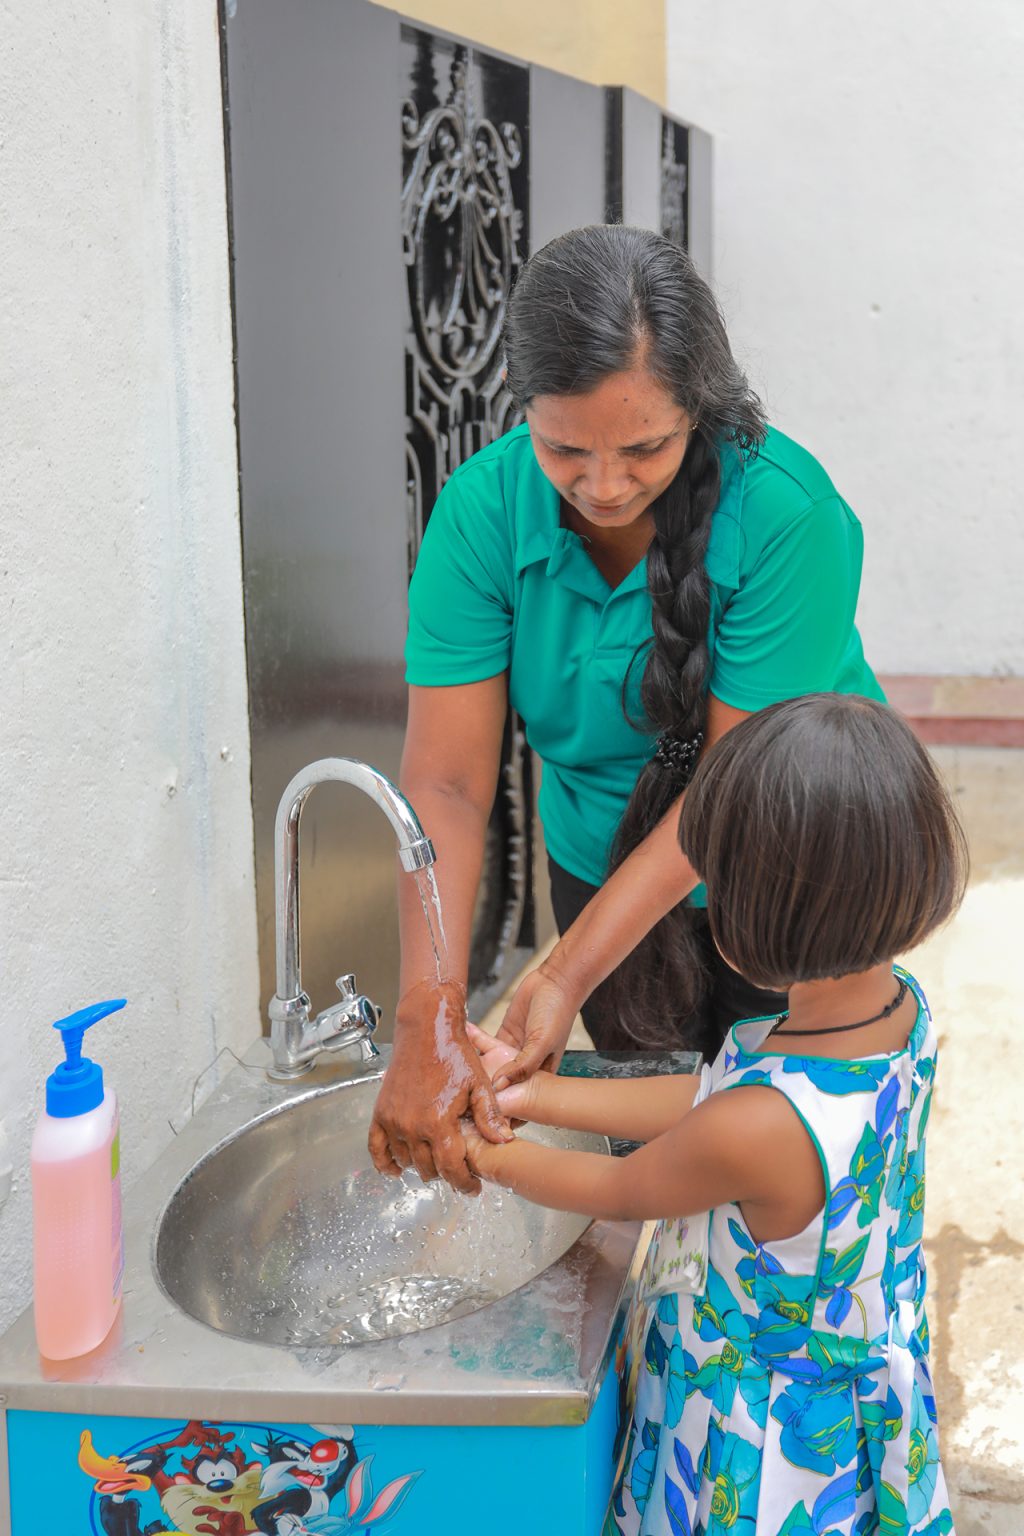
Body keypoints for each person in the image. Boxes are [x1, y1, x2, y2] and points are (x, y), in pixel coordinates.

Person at [368, 223, 884, 1194]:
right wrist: (424, 1010)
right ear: (523, 409)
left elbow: (729, 791)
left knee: (799, 1149)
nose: (603, 487)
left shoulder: (787, 517)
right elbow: (443, 779)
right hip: (601, 866)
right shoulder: (482, 513)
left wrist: (562, 973)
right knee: (651, 1151)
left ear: (697, 405)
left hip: (788, 863)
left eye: (643, 446)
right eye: (563, 449)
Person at [463, 693, 967, 1536]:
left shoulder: (761, 1129)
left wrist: (486, 1153)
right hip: (849, 1380)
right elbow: (715, 1094)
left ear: (766, 910)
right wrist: (537, 1094)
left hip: (763, 1436)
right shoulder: (891, 1011)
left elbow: (622, 1186)